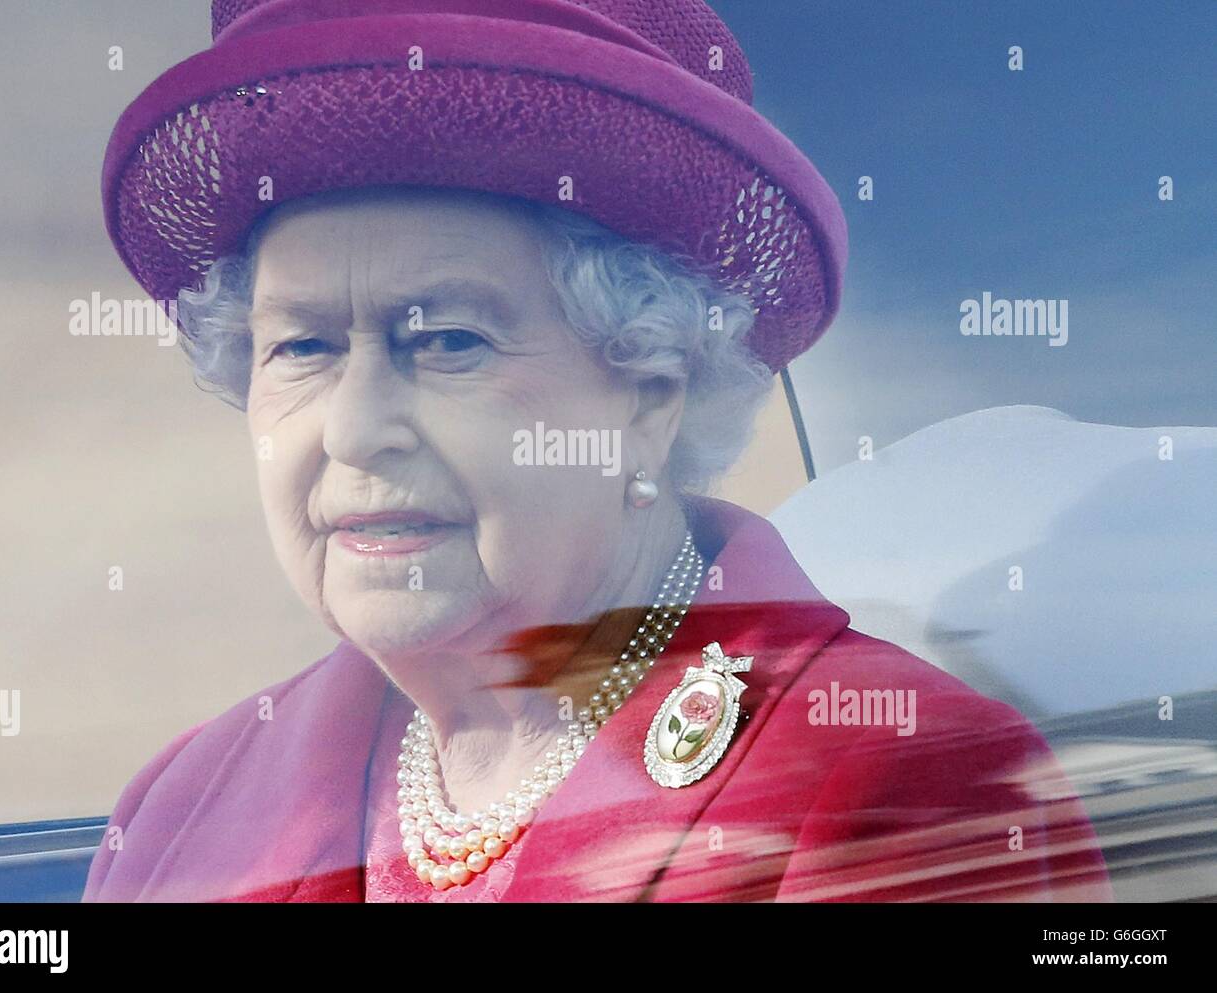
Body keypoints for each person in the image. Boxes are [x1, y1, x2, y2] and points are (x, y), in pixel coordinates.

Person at [83, 0, 1112, 902]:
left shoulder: (893, 784)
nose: (353, 430)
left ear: (650, 388)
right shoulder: (181, 813)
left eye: (446, 341)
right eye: (301, 347)